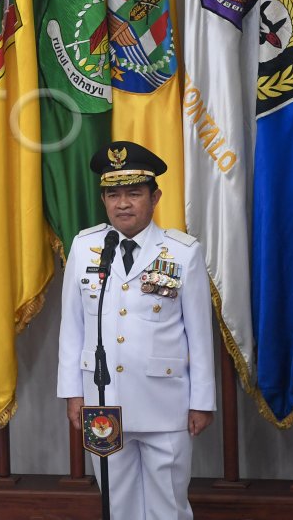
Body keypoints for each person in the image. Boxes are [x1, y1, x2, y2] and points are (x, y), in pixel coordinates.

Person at [57, 141, 215, 520]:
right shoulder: (85, 247)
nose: (123, 203)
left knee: (169, 503)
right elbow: (72, 327)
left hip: (166, 402)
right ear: (104, 199)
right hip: (102, 399)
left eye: (133, 193)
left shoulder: (182, 252)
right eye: (113, 194)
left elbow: (199, 334)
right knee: (115, 499)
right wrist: (72, 393)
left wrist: (202, 400)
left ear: (155, 196)